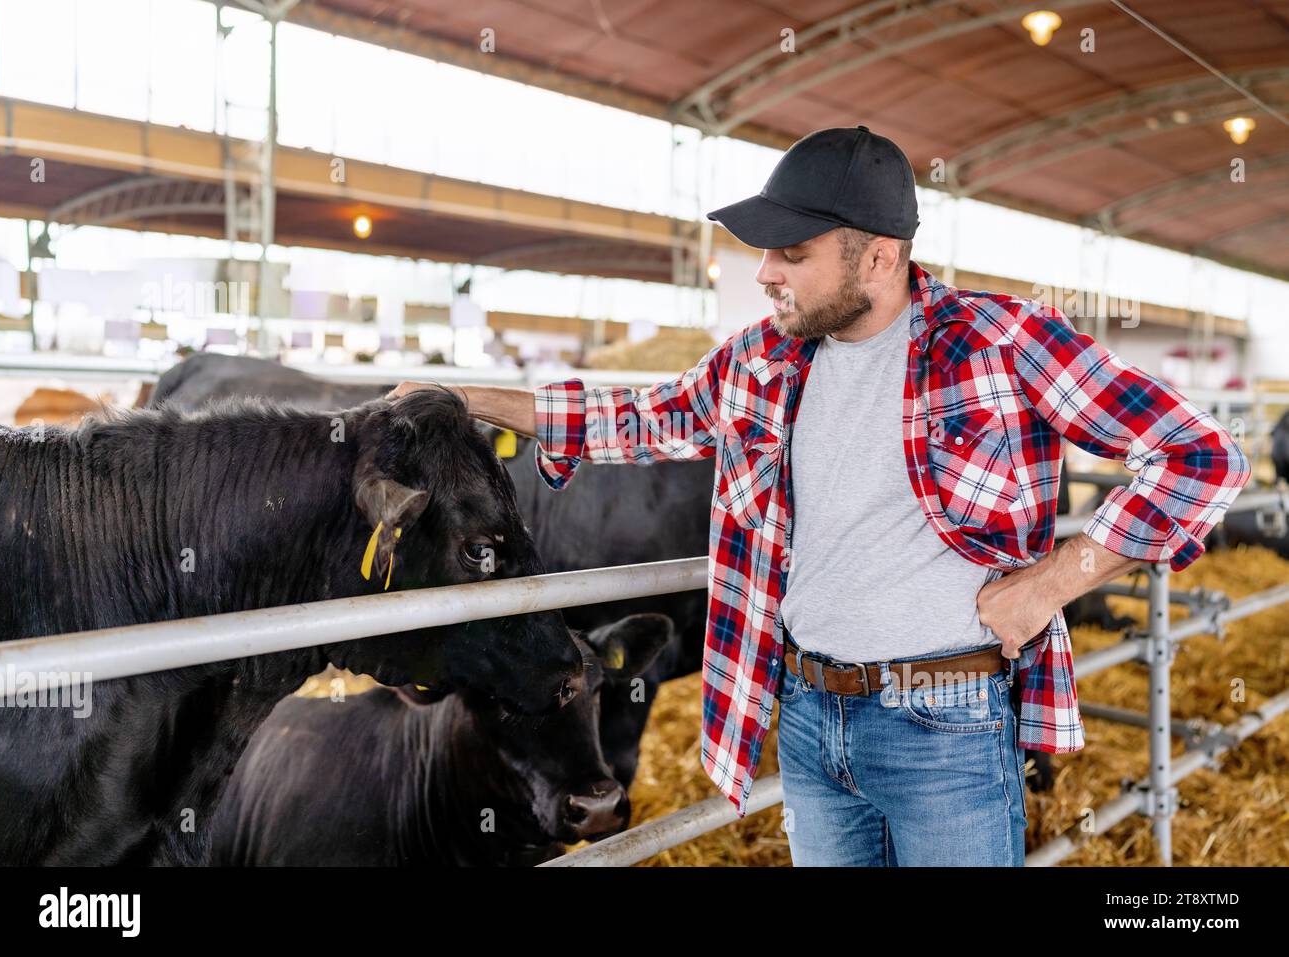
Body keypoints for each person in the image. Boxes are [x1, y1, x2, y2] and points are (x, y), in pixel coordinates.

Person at [386, 127, 1250, 866]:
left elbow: (1202, 455)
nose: (765, 274)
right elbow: (637, 417)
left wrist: (1055, 582)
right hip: (805, 719)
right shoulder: (764, 359)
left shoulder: (1002, 342)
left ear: (879, 255)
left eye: (792, 254)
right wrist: (464, 400)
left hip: (944, 725)